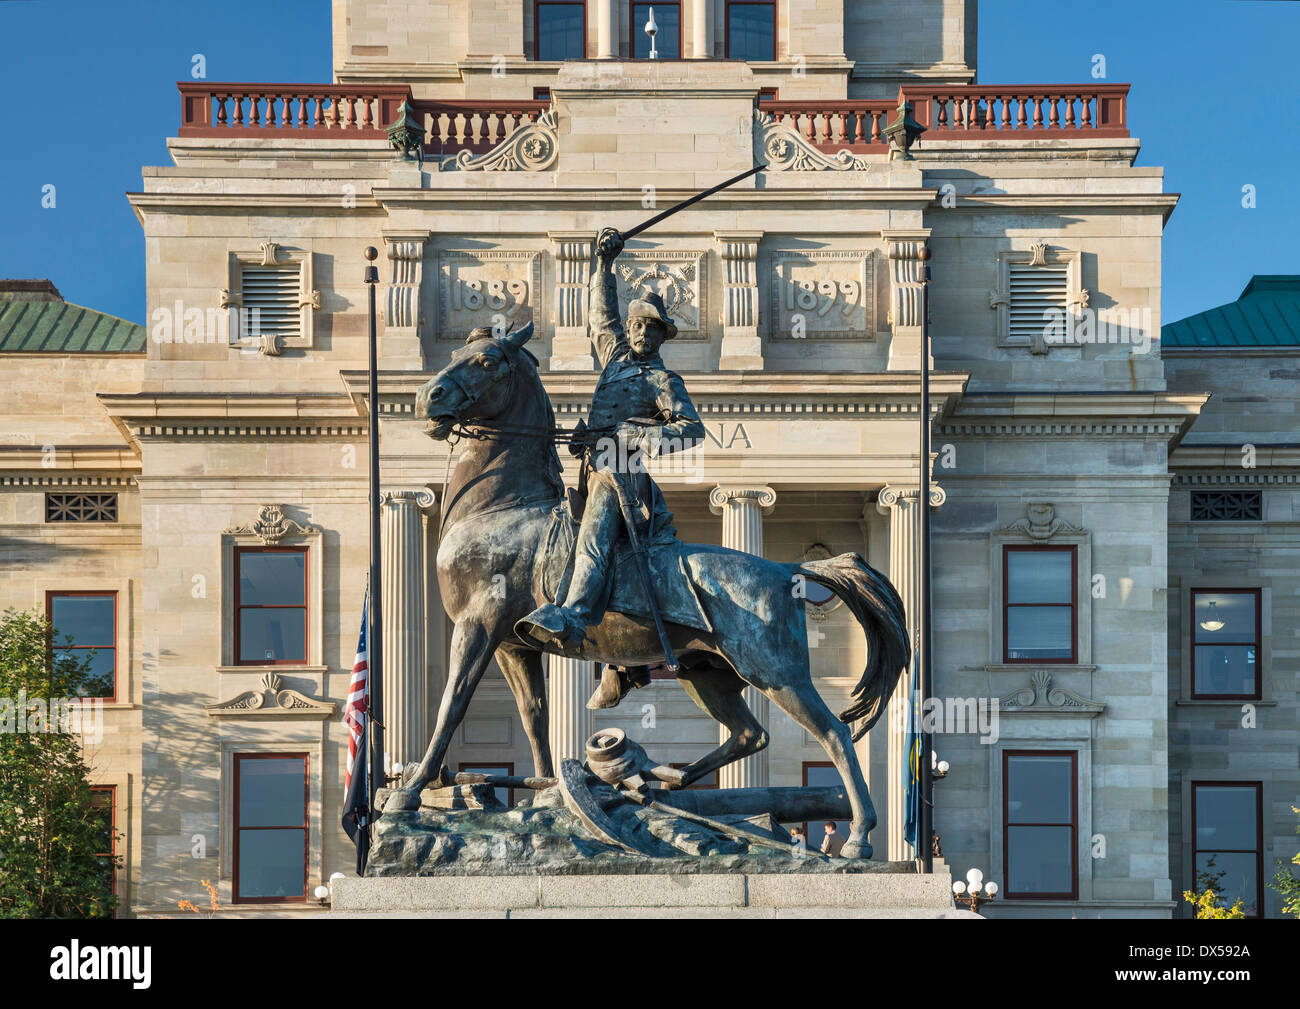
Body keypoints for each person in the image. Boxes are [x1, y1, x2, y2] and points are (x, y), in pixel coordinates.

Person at [516, 227, 705, 710]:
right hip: (590, 465)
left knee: (594, 540)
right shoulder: (616, 358)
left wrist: (634, 435)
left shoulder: (662, 379)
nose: (640, 333)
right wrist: (604, 264)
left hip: (622, 472)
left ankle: (574, 616)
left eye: (651, 328)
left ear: (662, 335)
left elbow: (691, 430)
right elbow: (601, 315)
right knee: (561, 540)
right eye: (637, 325)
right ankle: (623, 659)